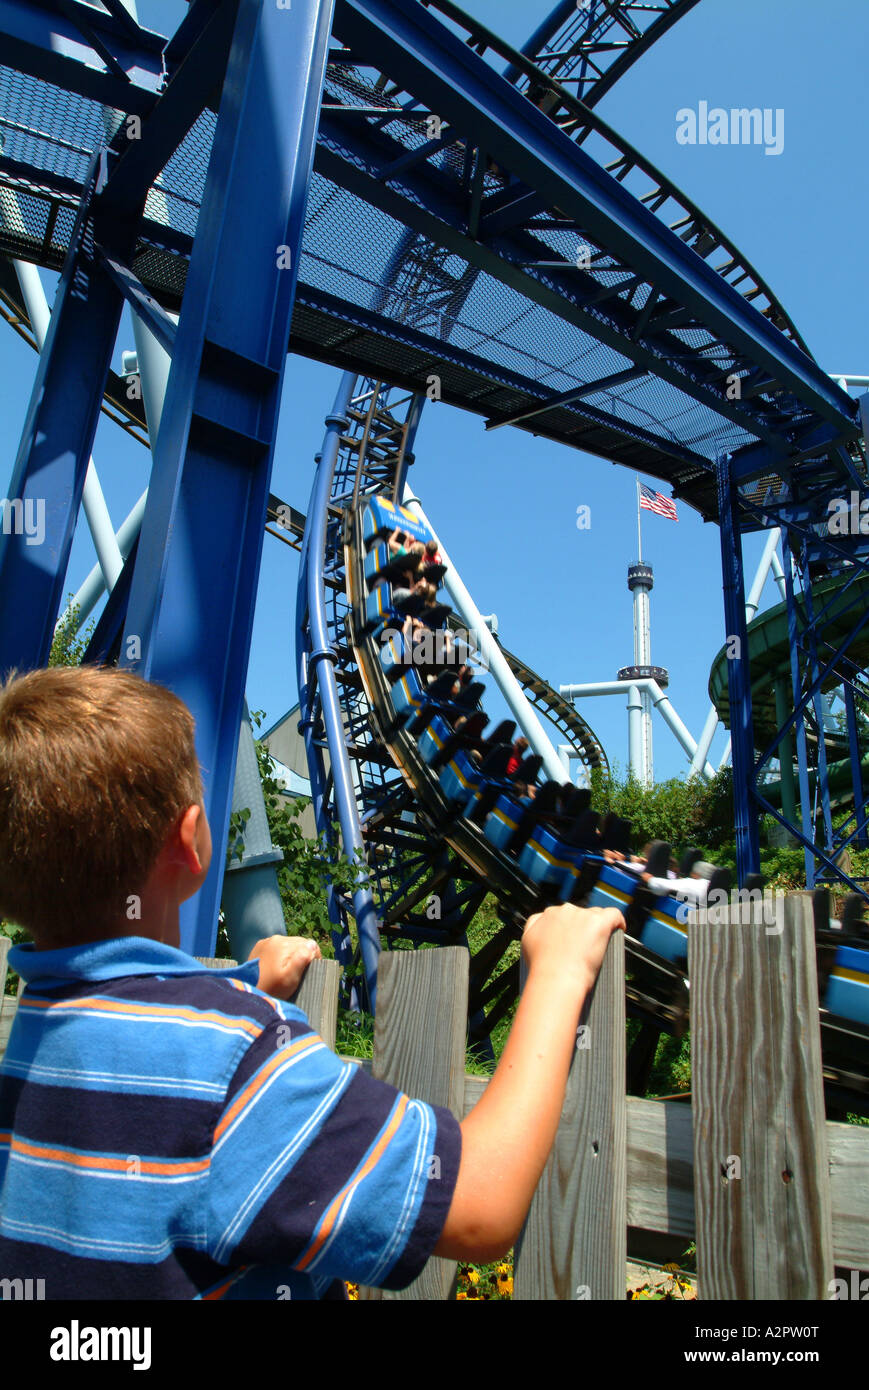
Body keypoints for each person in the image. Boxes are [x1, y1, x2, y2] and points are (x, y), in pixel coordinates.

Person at [0, 665, 624, 1300]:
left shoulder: (35, 1030)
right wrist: (557, 971)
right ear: (190, 843)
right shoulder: (239, 1056)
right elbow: (481, 1204)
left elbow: (147, 1069)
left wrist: (245, 989)